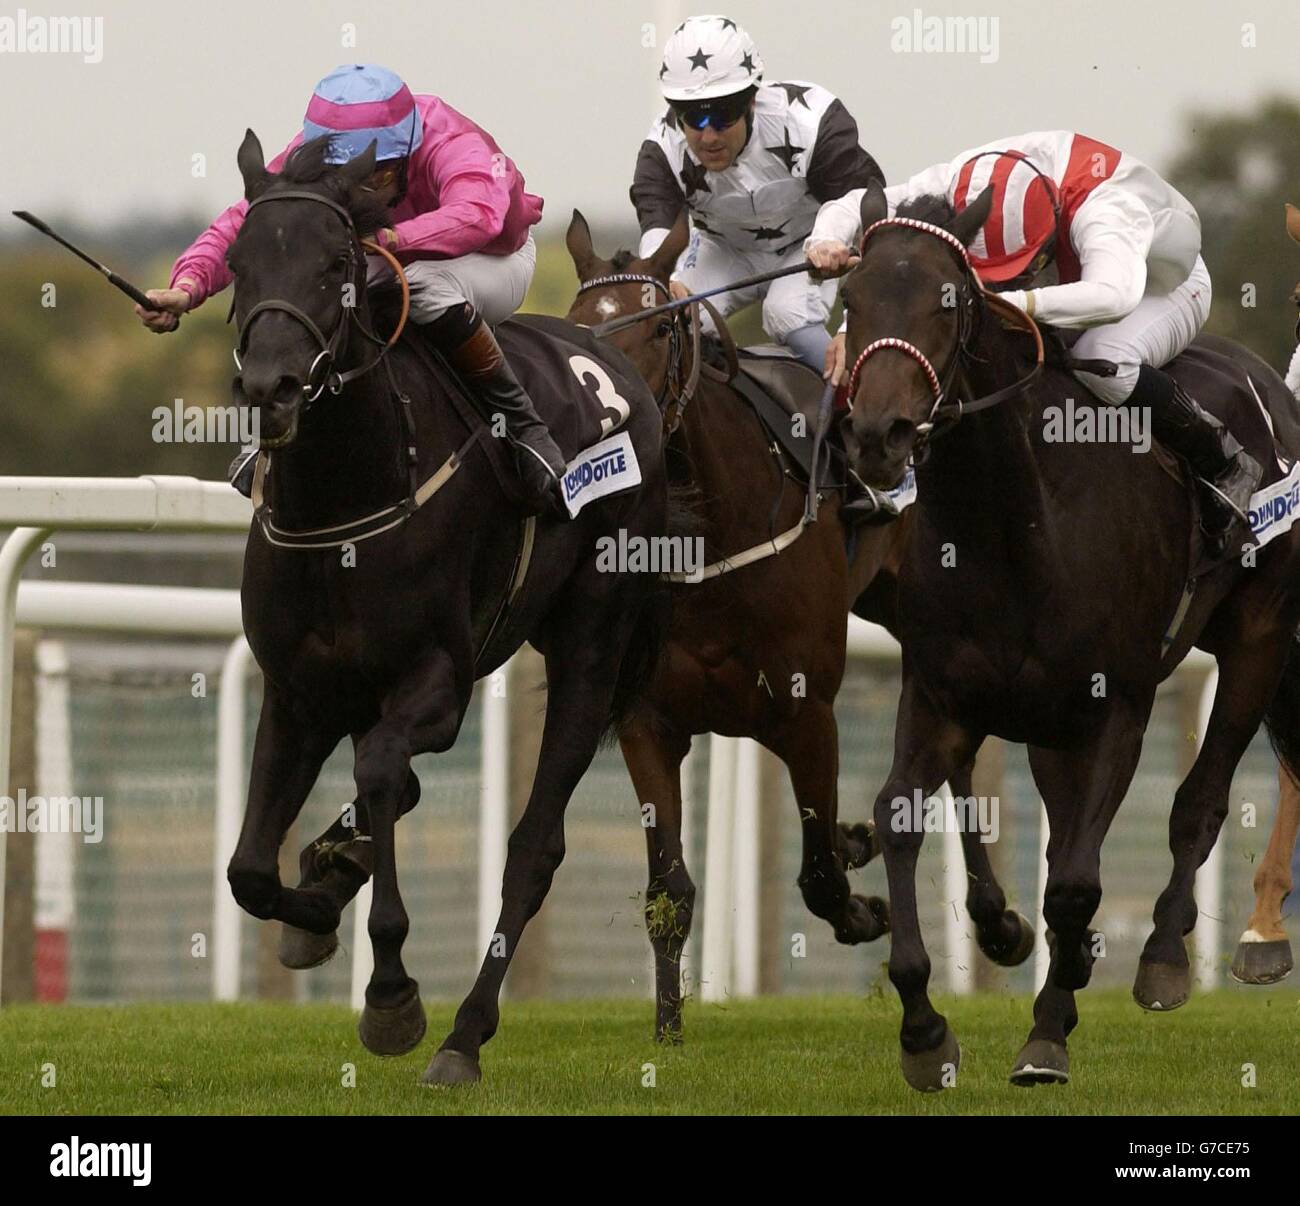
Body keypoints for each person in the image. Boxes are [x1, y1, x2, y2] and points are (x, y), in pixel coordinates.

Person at [137, 63, 565, 514]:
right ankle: (265, 431)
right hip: (380, 257)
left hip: (493, 259)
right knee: (296, 280)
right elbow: (247, 221)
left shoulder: (451, 140)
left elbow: (480, 215)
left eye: (372, 178)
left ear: (403, 151)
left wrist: (384, 241)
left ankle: (524, 427)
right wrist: (188, 287)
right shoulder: (308, 153)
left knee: (421, 282)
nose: (358, 192)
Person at [807, 130, 1262, 545]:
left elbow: (1114, 296)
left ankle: (1221, 459)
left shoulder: (1108, 210)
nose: (1013, 280)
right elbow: (852, 206)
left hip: (1160, 286)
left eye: (1018, 270)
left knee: (1106, 361)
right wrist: (825, 242)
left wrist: (1014, 302)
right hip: (1068, 279)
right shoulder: (958, 181)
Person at [631, 14, 884, 373]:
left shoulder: (811, 123)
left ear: (752, 100)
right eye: (692, 118)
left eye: (723, 116)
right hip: (723, 249)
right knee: (666, 317)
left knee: (786, 313)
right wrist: (662, 281)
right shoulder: (660, 151)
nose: (709, 137)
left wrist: (851, 327)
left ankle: (853, 406)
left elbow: (871, 208)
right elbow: (656, 238)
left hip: (809, 245)